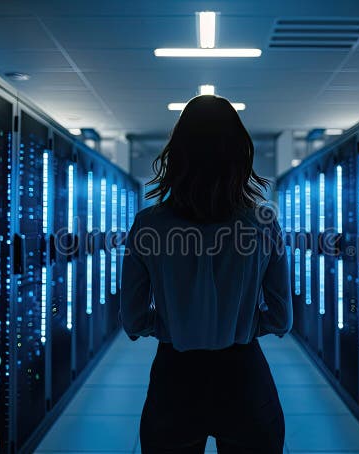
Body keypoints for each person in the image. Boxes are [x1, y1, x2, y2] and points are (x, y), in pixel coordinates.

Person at [119, 95, 293, 453]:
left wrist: (171, 323)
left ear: (176, 155)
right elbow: (281, 319)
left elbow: (133, 320)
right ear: (240, 155)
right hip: (244, 380)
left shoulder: (149, 224)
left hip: (174, 381)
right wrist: (242, 323)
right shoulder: (263, 223)